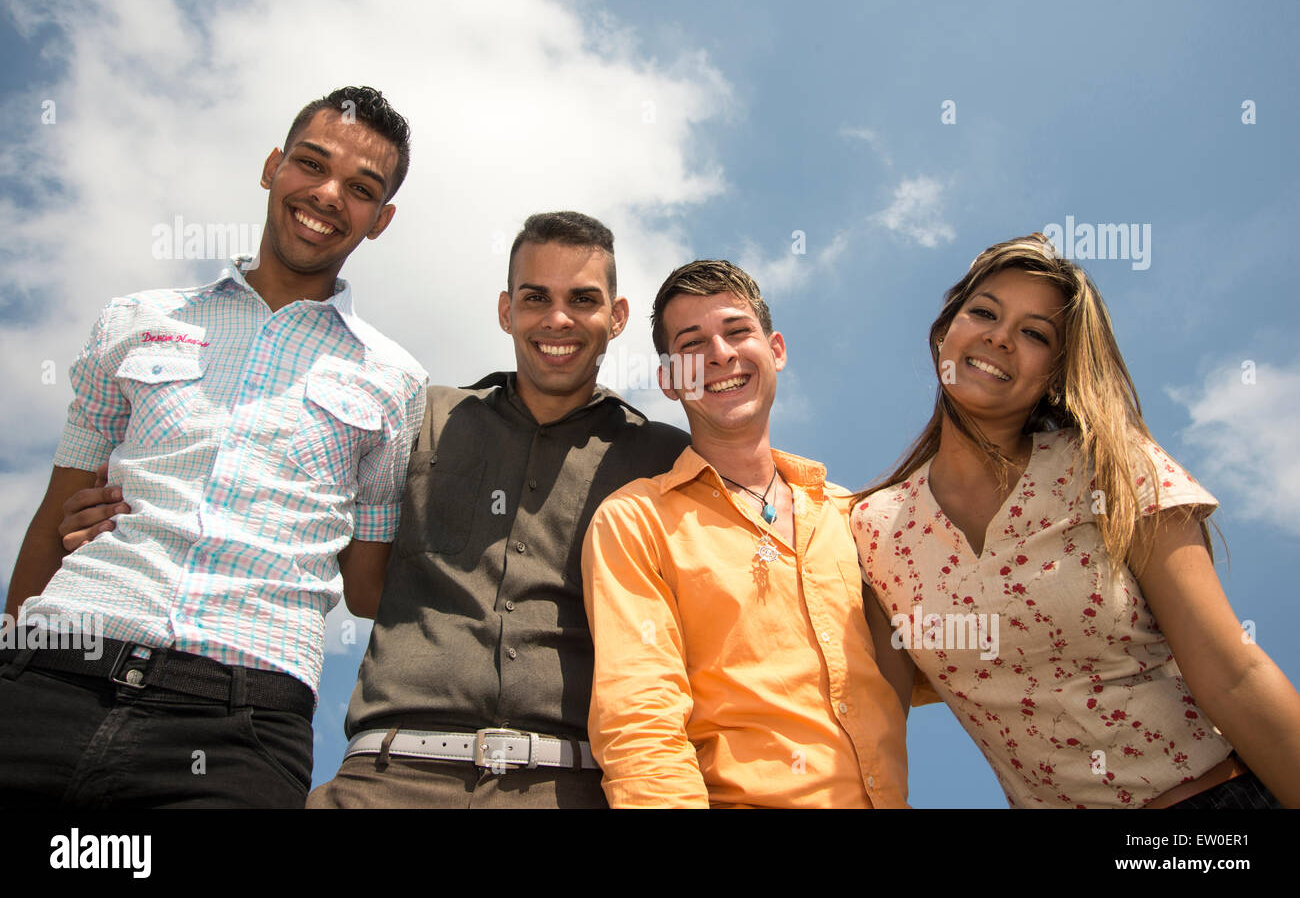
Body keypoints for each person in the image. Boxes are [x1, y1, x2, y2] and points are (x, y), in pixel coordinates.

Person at [1, 86, 428, 807]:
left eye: (360, 189)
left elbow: (366, 583)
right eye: (310, 164)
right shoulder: (136, 319)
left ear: (380, 220)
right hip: (49, 680)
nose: (326, 195)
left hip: (242, 726)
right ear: (272, 166)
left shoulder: (398, 382)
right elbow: (54, 519)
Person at [850, 232, 1300, 808]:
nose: (999, 337)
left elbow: (1231, 672)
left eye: (1034, 333)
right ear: (944, 332)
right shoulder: (870, 528)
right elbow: (875, 727)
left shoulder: (1110, 466)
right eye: (983, 312)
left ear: (1057, 371)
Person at [304, 211, 690, 808]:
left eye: (582, 299)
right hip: (384, 779)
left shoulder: (666, 460)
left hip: (569, 786)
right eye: (536, 297)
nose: (557, 319)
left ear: (616, 318)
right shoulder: (420, 417)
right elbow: (362, 588)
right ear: (507, 310)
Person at [582, 260, 911, 808]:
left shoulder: (856, 517)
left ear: (776, 349)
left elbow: (943, 666)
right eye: (692, 344)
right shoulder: (635, 520)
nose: (720, 354)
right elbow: (640, 721)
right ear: (668, 381)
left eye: (738, 332)